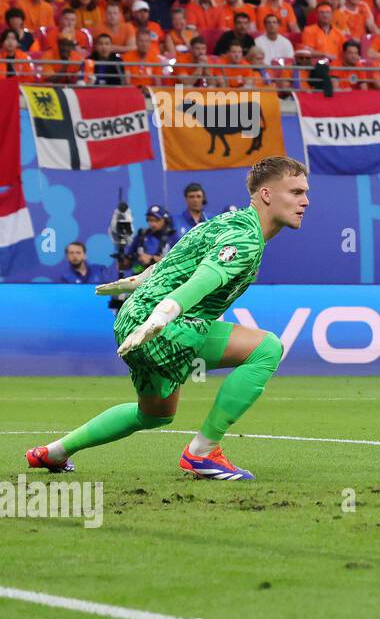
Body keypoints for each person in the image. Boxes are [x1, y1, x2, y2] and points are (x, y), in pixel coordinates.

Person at [26, 157, 311, 481]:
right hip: (163, 326)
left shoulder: (225, 223)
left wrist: (139, 282)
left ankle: (54, 452)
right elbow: (203, 279)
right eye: (296, 191)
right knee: (268, 348)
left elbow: (178, 260)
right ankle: (203, 453)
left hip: (132, 321)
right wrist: (162, 315)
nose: (306, 201)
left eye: (305, 192)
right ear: (267, 194)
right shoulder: (245, 239)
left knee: (154, 414)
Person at [126, 205, 177, 269]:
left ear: (165, 220)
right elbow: (128, 261)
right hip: (140, 276)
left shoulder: (172, 237)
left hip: (164, 276)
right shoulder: (141, 235)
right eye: (150, 220)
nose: (152, 224)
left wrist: (153, 259)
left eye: (156, 220)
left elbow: (178, 261)